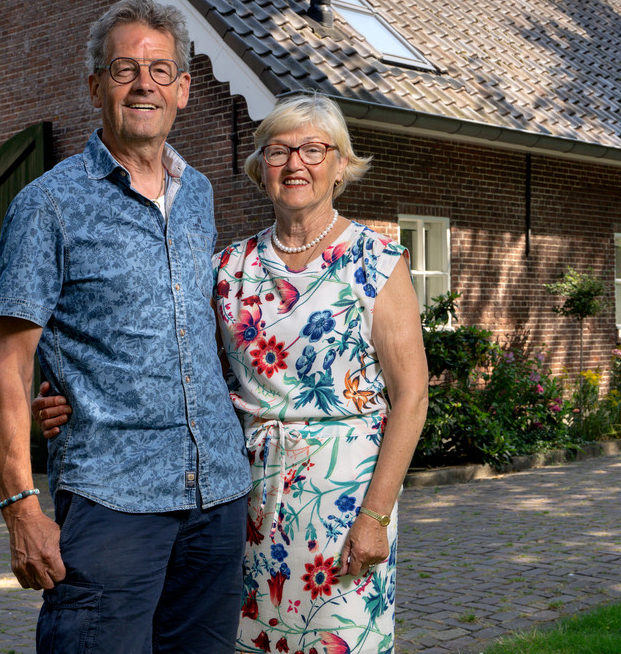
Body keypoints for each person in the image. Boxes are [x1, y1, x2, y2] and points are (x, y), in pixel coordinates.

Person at [38, 94, 429, 652]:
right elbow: (174, 360)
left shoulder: (377, 260)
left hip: (343, 500)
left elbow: (412, 395)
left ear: (341, 165)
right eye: (279, 151)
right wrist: (68, 396)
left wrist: (375, 515)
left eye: (314, 150)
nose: (296, 164)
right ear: (260, 167)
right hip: (242, 501)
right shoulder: (229, 267)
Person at [0, 0, 250, 654]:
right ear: (95, 85)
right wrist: (20, 507)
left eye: (160, 70)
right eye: (124, 68)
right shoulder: (47, 203)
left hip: (215, 493)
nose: (143, 84)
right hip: (111, 500)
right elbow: (9, 365)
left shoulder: (200, 194)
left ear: (183, 89)